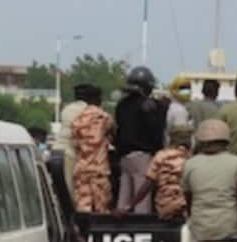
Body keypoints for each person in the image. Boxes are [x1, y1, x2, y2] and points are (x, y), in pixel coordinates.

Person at [181, 119, 237, 241]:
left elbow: (188, 196)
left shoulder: (189, 164)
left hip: (199, 228)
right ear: (226, 140)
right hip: (230, 227)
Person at [115, 67, 166, 213]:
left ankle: (119, 225)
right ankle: (140, 228)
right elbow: (156, 131)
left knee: (123, 197)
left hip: (124, 157)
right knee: (141, 199)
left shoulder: (121, 105)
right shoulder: (149, 105)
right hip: (142, 156)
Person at [118, 124, 193, 220]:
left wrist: (131, 205)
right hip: (187, 208)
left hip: (165, 207)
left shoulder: (161, 156)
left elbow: (148, 183)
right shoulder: (192, 159)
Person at [71, 84, 115, 213]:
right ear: (97, 99)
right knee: (101, 210)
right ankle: (98, 234)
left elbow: (74, 142)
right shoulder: (104, 117)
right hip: (98, 168)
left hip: (81, 168)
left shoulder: (77, 120)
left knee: (83, 209)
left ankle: (84, 232)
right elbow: (112, 133)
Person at [56, 84, 92, 191]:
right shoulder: (87, 110)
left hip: (58, 149)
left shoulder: (67, 109)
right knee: (70, 189)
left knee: (62, 187)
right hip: (70, 152)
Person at [165, 77, 193, 142]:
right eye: (182, 89)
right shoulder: (179, 110)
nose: (186, 92)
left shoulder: (173, 107)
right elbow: (181, 136)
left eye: (188, 88)